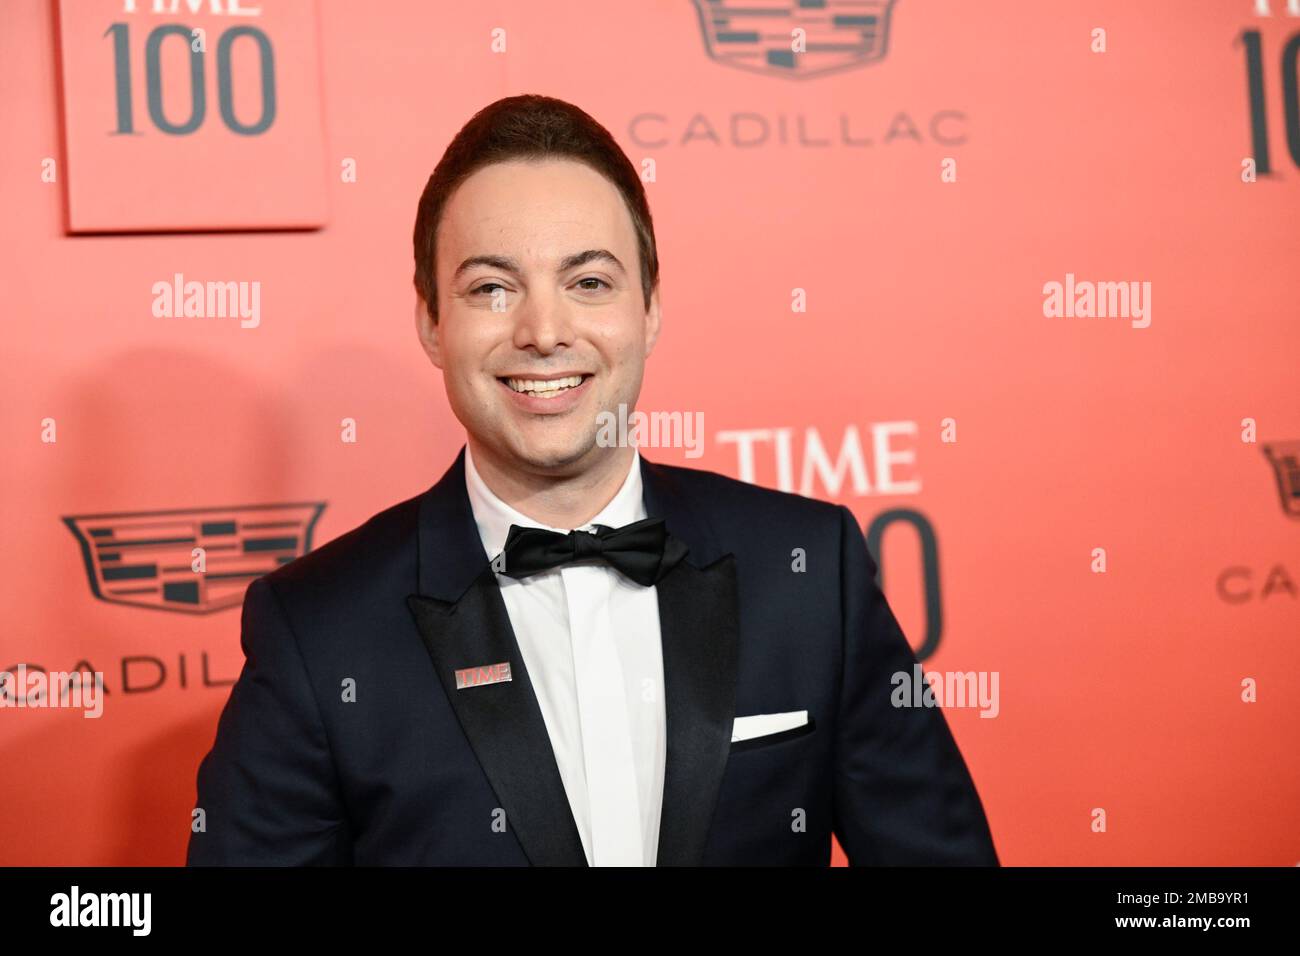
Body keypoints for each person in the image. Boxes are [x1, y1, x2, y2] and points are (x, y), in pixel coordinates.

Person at [186, 93, 998, 866]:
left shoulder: (810, 572)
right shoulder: (319, 631)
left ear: (648, 309)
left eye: (589, 283)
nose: (544, 332)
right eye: (492, 288)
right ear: (433, 320)